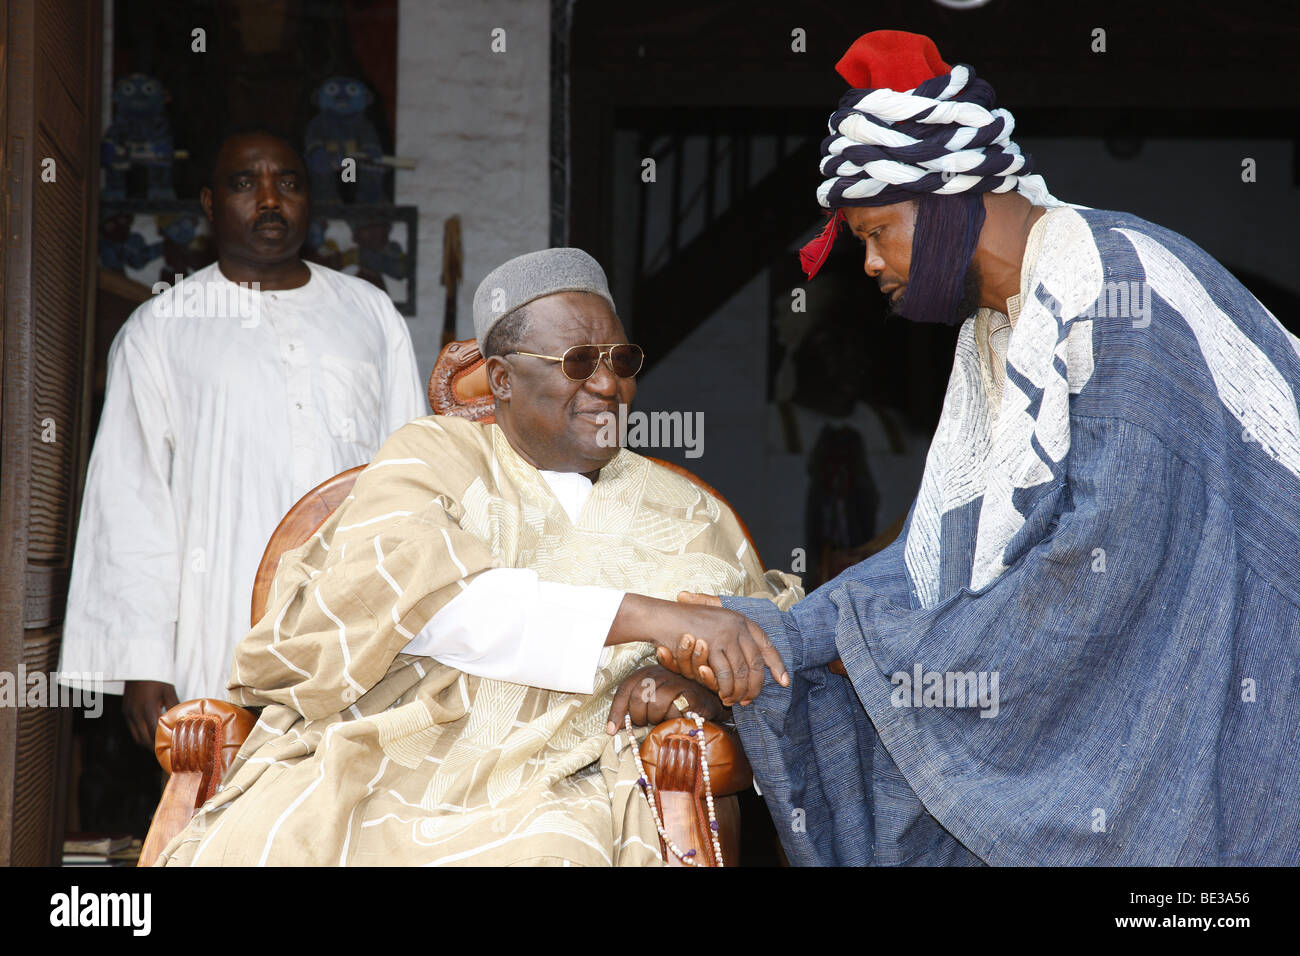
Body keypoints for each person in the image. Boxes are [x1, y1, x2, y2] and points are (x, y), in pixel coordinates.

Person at [662, 30, 1300, 865]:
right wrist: (785, 635)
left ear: (953, 196)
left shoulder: (1116, 284)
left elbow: (1104, 562)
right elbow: (937, 560)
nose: (870, 262)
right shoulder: (998, 334)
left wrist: (876, 653)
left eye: (878, 230)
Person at [157, 247, 797, 866]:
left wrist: (699, 691)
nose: (608, 385)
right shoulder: (430, 456)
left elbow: (761, 644)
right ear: (501, 379)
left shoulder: (688, 508)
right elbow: (436, 604)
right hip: (384, 755)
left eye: (621, 359)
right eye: (577, 362)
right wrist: (655, 618)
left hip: (571, 780)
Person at [60, 130, 426, 748]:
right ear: (208, 204)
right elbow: (130, 500)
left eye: (288, 183)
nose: (269, 200)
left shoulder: (369, 314)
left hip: (356, 627)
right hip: (216, 624)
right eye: (243, 184)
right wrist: (144, 662)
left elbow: (413, 475)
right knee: (220, 821)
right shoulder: (162, 329)